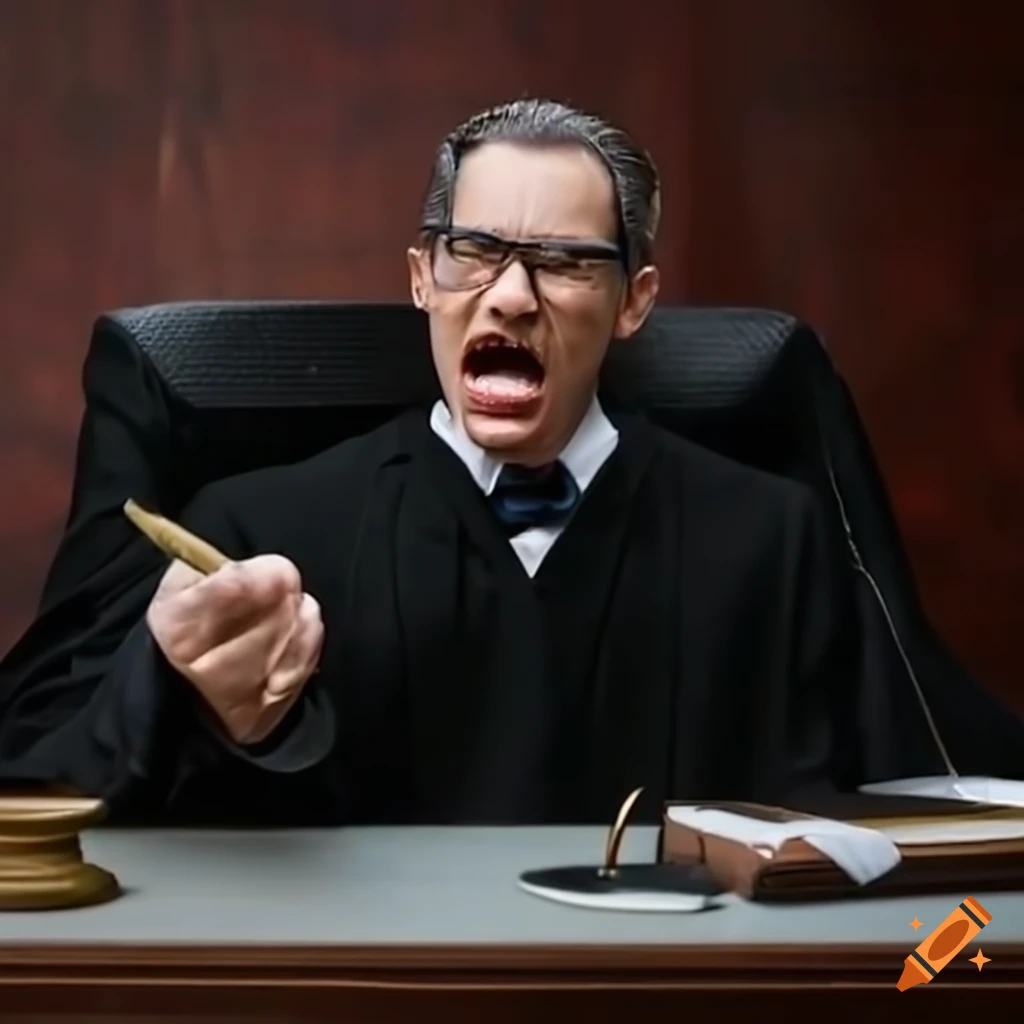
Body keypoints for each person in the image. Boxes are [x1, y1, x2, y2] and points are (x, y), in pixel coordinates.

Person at [0, 99, 866, 825]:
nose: (513, 296)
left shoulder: (770, 539)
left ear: (633, 302)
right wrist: (193, 701)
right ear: (422, 278)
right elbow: (57, 790)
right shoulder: (253, 535)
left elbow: (880, 838)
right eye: (475, 253)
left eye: (565, 262)